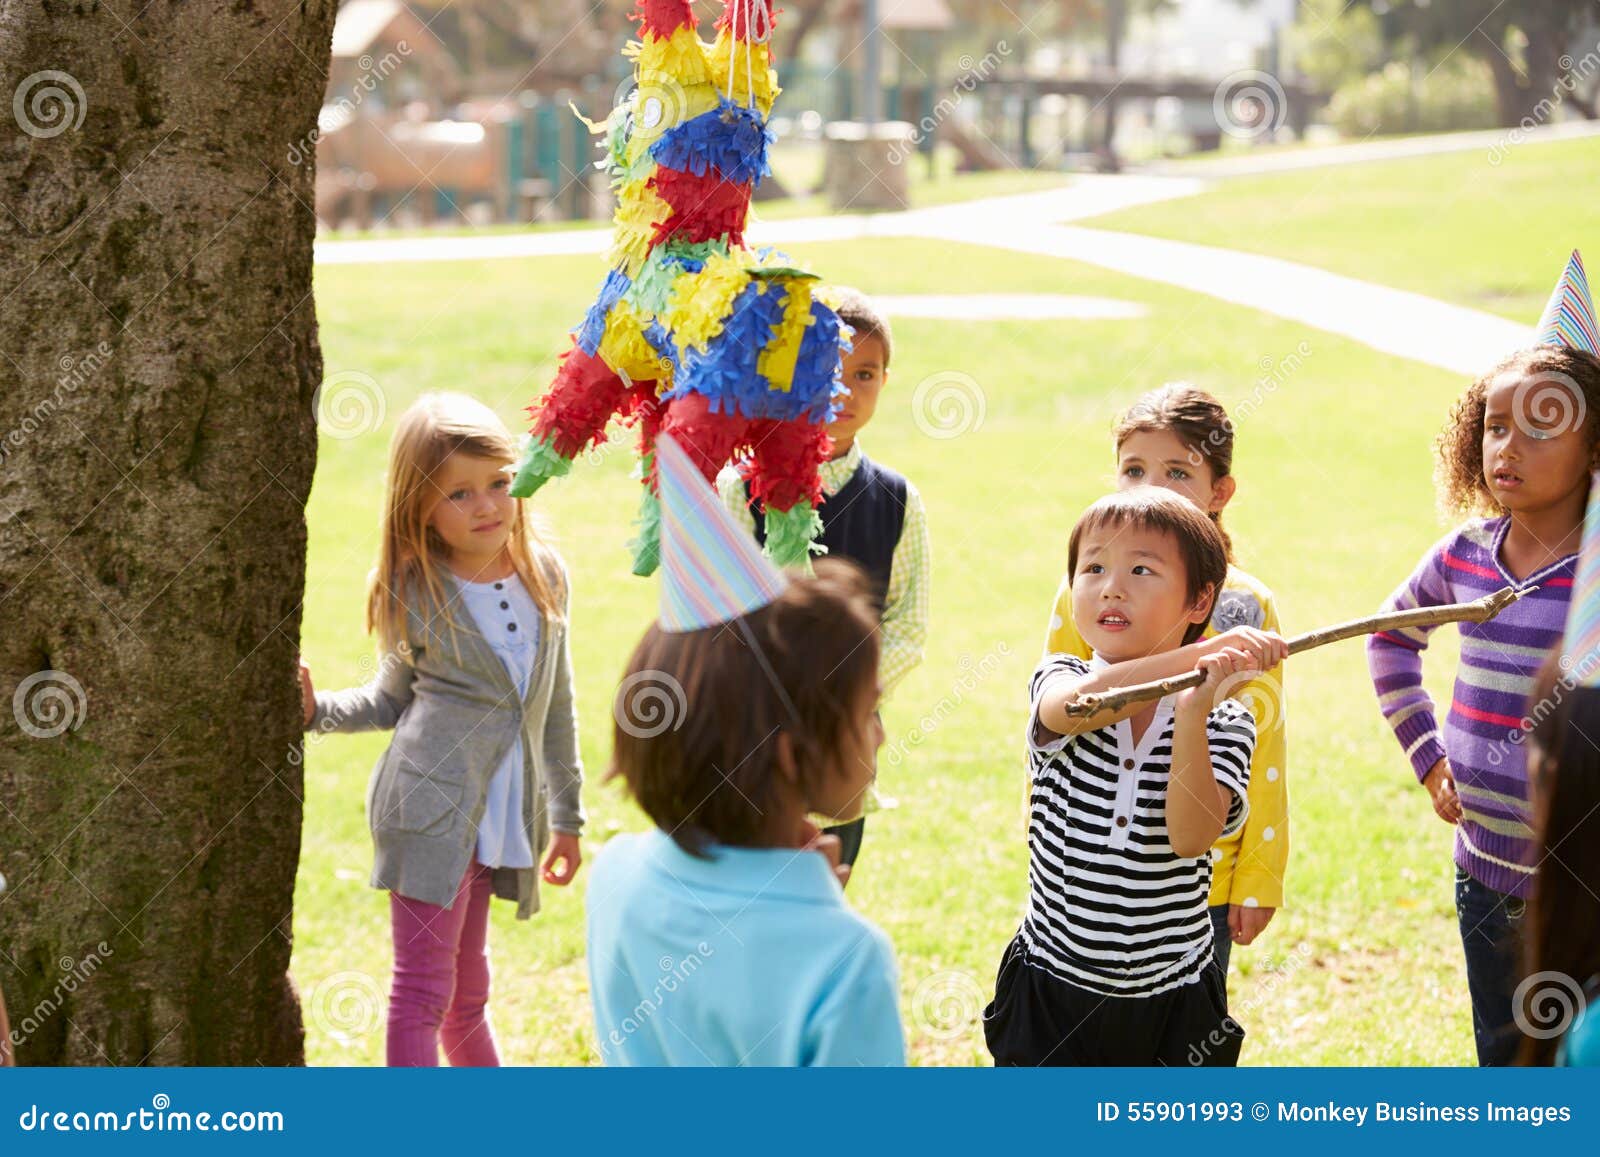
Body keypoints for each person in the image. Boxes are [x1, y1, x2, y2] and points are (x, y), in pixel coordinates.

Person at [588, 433, 904, 1066]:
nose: (881, 734)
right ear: (791, 756)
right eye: (869, 712)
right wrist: (815, 918)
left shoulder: (614, 874)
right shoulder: (846, 960)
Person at [298, 393, 585, 1066]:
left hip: (499, 817)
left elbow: (557, 701)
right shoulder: (413, 587)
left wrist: (567, 814)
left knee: (469, 992)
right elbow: (389, 700)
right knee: (424, 990)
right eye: (459, 493)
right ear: (419, 505)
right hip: (429, 810)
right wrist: (315, 713)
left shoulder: (545, 575)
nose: (486, 505)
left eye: (499, 483)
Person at [1368, 250, 1600, 1065]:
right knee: (1503, 1058)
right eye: (1497, 424)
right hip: (1488, 874)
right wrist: (1428, 755)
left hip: (1586, 885)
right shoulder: (1465, 555)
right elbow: (1390, 637)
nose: (1509, 445)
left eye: (1542, 427)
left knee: (1578, 1061)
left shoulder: (1596, 575)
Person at [986, 488, 1286, 1066]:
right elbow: (1073, 710)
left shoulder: (1225, 720)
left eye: (1141, 569)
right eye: (1092, 568)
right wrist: (1198, 660)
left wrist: (1194, 709)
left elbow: (1191, 837)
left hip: (1173, 1001)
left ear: (1201, 600)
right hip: (1052, 986)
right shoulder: (1062, 678)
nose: (1111, 587)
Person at [1043, 384, 1287, 975]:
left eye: (1177, 471)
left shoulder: (1245, 608)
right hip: (1088, 867)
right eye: (1133, 470)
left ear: (1219, 493)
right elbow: (1063, 714)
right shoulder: (1090, 595)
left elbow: (1265, 745)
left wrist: (1256, 871)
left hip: (1202, 875)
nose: (1151, 488)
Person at [719, 286, 930, 873]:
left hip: (843, 746)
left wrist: (844, 691)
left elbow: (909, 623)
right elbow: (727, 616)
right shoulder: (741, 489)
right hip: (752, 740)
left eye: (865, 374)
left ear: (886, 381)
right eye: (826, 371)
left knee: (825, 903)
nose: (845, 390)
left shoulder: (897, 500)